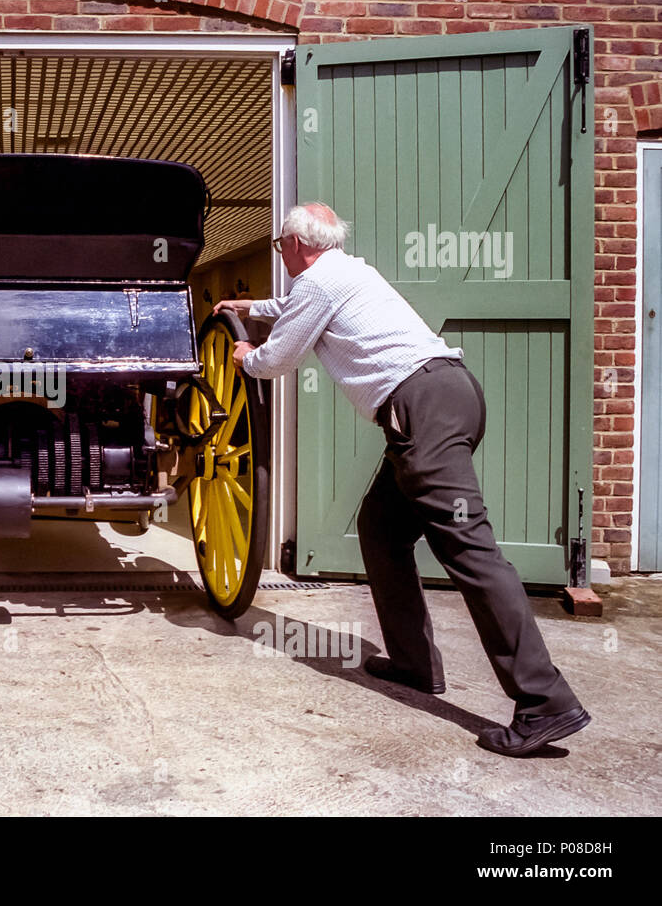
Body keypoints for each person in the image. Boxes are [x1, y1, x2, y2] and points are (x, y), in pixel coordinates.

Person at [214, 202, 590, 757]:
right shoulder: (347, 271)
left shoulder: (320, 283)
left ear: (296, 244)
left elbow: (276, 358)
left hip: (423, 411)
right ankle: (414, 663)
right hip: (451, 394)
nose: (280, 255)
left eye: (278, 246)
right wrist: (249, 304)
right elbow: (293, 305)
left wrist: (247, 354)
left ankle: (545, 702)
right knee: (382, 530)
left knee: (471, 552)